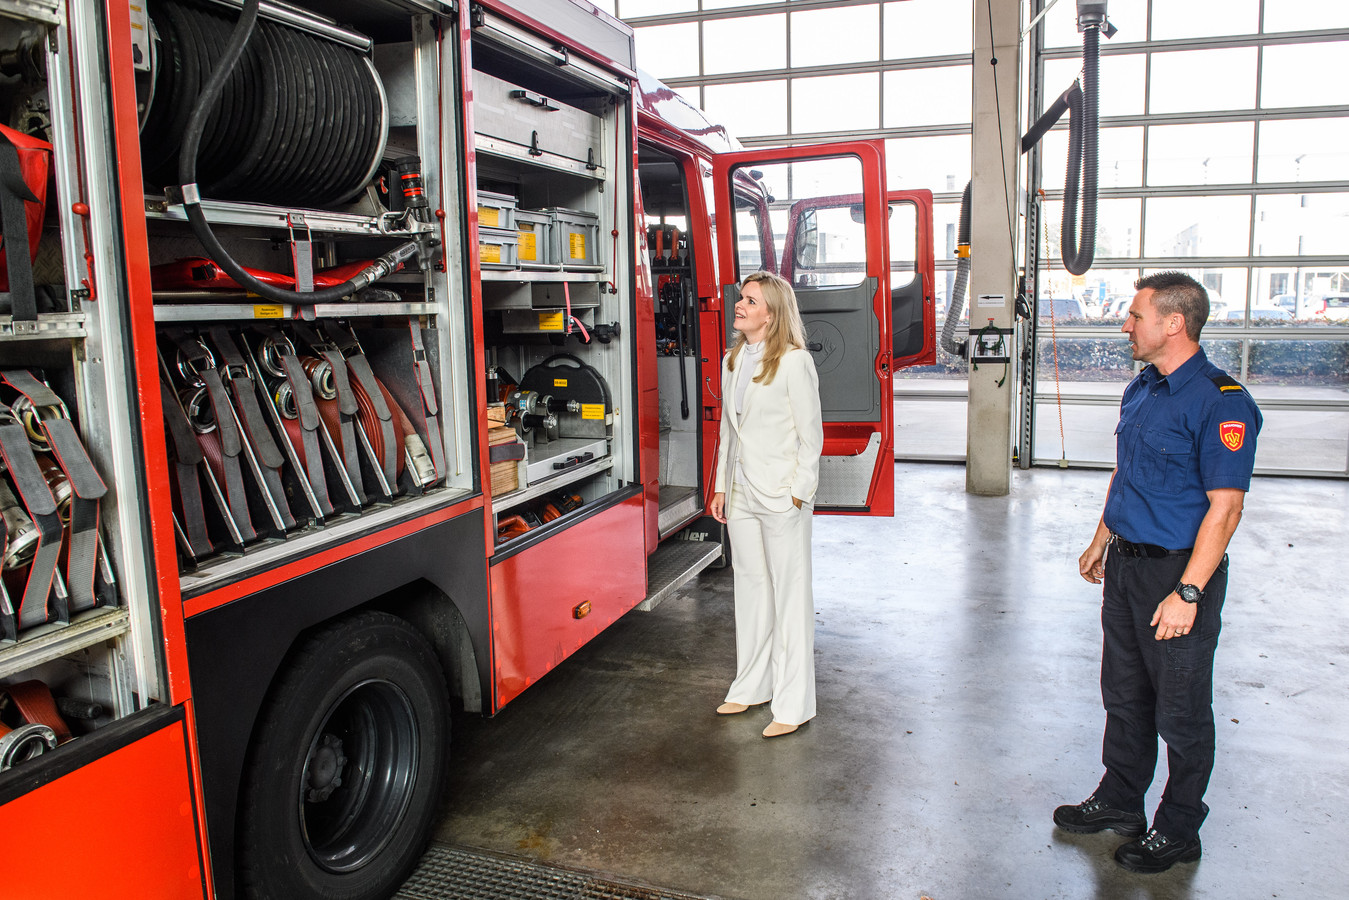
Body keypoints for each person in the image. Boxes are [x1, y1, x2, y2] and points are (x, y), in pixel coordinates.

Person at [1056, 271, 1262, 873]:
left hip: (1177, 574)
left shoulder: (1222, 402)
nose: (1126, 326)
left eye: (1135, 316)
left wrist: (1188, 592)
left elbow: (1225, 509)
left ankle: (1178, 828)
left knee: (1181, 711)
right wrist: (1102, 539)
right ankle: (1121, 802)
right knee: (1124, 696)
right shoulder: (1142, 389)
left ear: (1174, 323)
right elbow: (1127, 474)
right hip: (1126, 566)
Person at [710, 271, 823, 739]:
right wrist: (721, 486)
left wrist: (800, 490)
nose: (740, 305)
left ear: (772, 315)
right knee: (752, 590)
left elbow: (811, 435)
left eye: (751, 301)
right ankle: (752, 686)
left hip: (781, 495)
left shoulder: (795, 362)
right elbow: (727, 431)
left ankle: (794, 704)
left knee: (790, 597)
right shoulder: (733, 359)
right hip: (740, 492)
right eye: (742, 298)